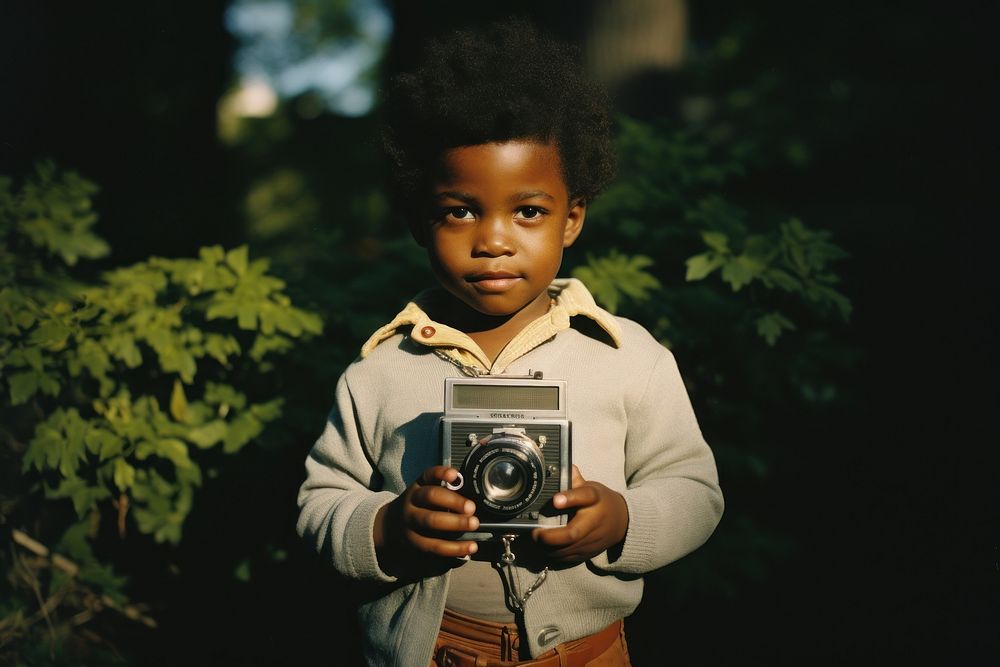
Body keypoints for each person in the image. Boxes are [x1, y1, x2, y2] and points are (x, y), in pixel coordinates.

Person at [297, 19, 723, 667]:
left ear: (571, 216)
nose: (494, 238)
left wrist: (623, 520)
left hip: (587, 652)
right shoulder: (379, 371)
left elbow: (695, 488)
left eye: (527, 211)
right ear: (419, 219)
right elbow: (320, 501)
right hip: (427, 651)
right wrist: (385, 529)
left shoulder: (628, 357)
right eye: (460, 209)